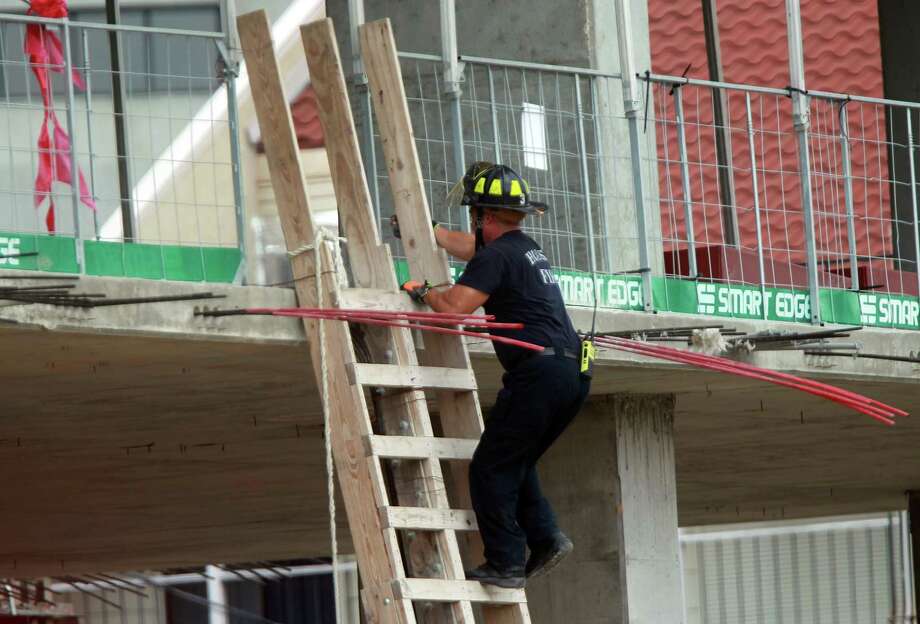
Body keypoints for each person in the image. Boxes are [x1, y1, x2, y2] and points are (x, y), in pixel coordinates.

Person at [393, 163, 592, 589]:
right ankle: (546, 538)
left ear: (483, 216)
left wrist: (424, 292)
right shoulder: (523, 248)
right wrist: (433, 232)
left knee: (489, 468)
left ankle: (505, 562)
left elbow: (453, 309)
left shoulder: (497, 256)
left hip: (539, 374)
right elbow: (474, 250)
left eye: (474, 216)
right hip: (573, 371)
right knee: (516, 459)